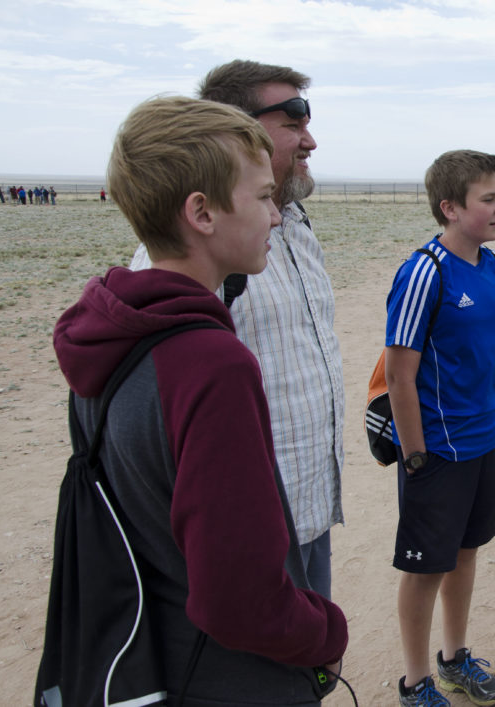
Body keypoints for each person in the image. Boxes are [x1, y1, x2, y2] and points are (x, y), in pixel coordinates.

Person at [52, 95, 348, 704]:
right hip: (223, 678)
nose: (274, 216)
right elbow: (242, 601)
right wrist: (326, 630)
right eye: (264, 197)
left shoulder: (113, 332)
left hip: (154, 654)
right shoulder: (212, 364)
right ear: (202, 213)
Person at [130, 59, 345, 599]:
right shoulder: (191, 258)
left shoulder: (294, 227)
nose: (310, 140)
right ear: (234, 129)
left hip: (310, 505)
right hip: (247, 537)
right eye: (293, 123)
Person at [384, 150, 495, 707]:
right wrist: (416, 457)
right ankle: (416, 684)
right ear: (451, 207)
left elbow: (491, 355)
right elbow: (398, 375)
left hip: (489, 440)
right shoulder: (424, 273)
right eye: (489, 199)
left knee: (466, 551)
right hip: (438, 452)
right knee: (425, 568)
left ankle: (456, 659)